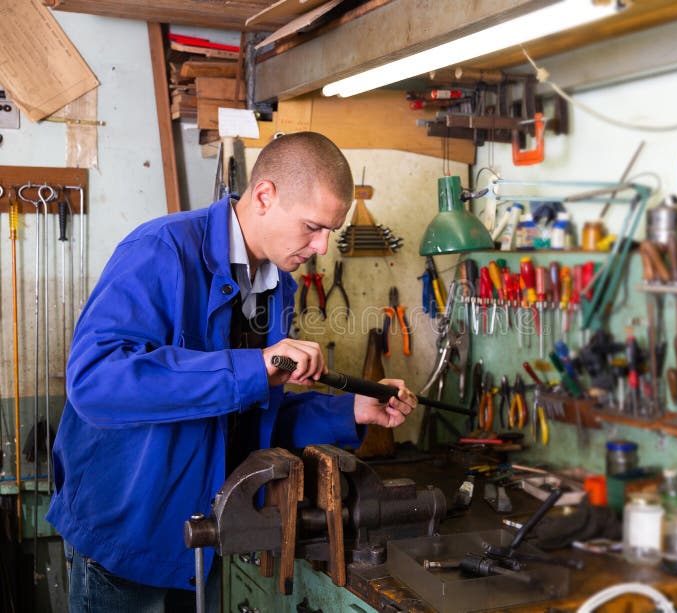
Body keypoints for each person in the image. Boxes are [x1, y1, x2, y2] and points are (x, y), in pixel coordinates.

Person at [47, 131, 417, 612]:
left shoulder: (276, 286)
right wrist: (254, 367)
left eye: (330, 230)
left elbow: (248, 418)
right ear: (264, 195)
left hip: (208, 535)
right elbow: (95, 381)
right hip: (125, 538)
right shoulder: (161, 250)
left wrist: (350, 411)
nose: (322, 247)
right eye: (312, 227)